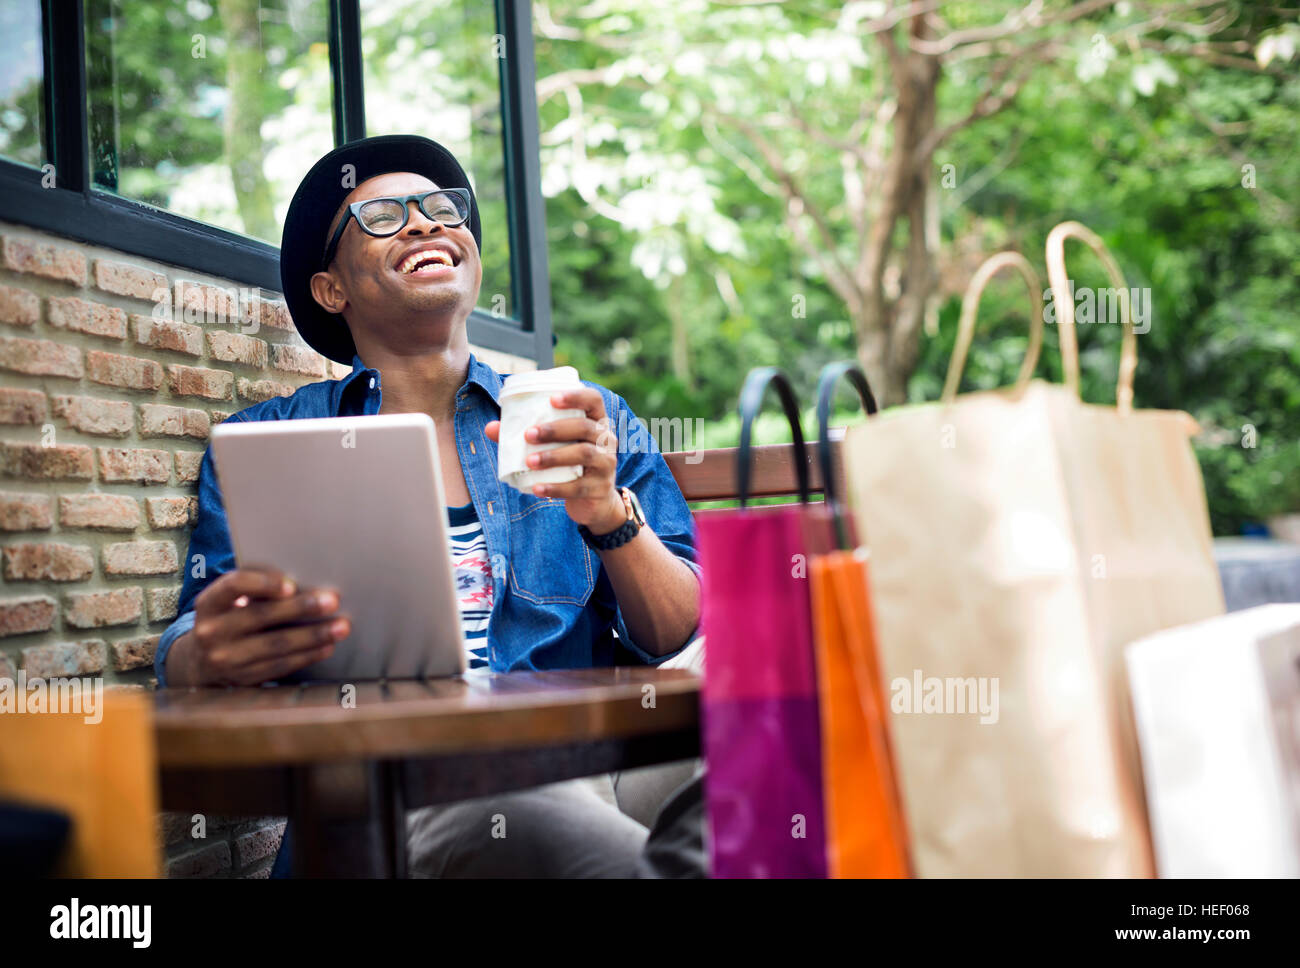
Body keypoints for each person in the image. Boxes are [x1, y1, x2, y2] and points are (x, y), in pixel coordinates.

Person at [153, 134, 707, 877]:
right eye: (384, 217)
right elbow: (195, 638)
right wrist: (203, 655)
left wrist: (608, 514)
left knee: (776, 720)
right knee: (521, 798)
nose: (423, 223)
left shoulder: (584, 418)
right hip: (407, 790)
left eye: (443, 209)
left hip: (603, 767)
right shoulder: (272, 439)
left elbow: (680, 636)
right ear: (332, 291)